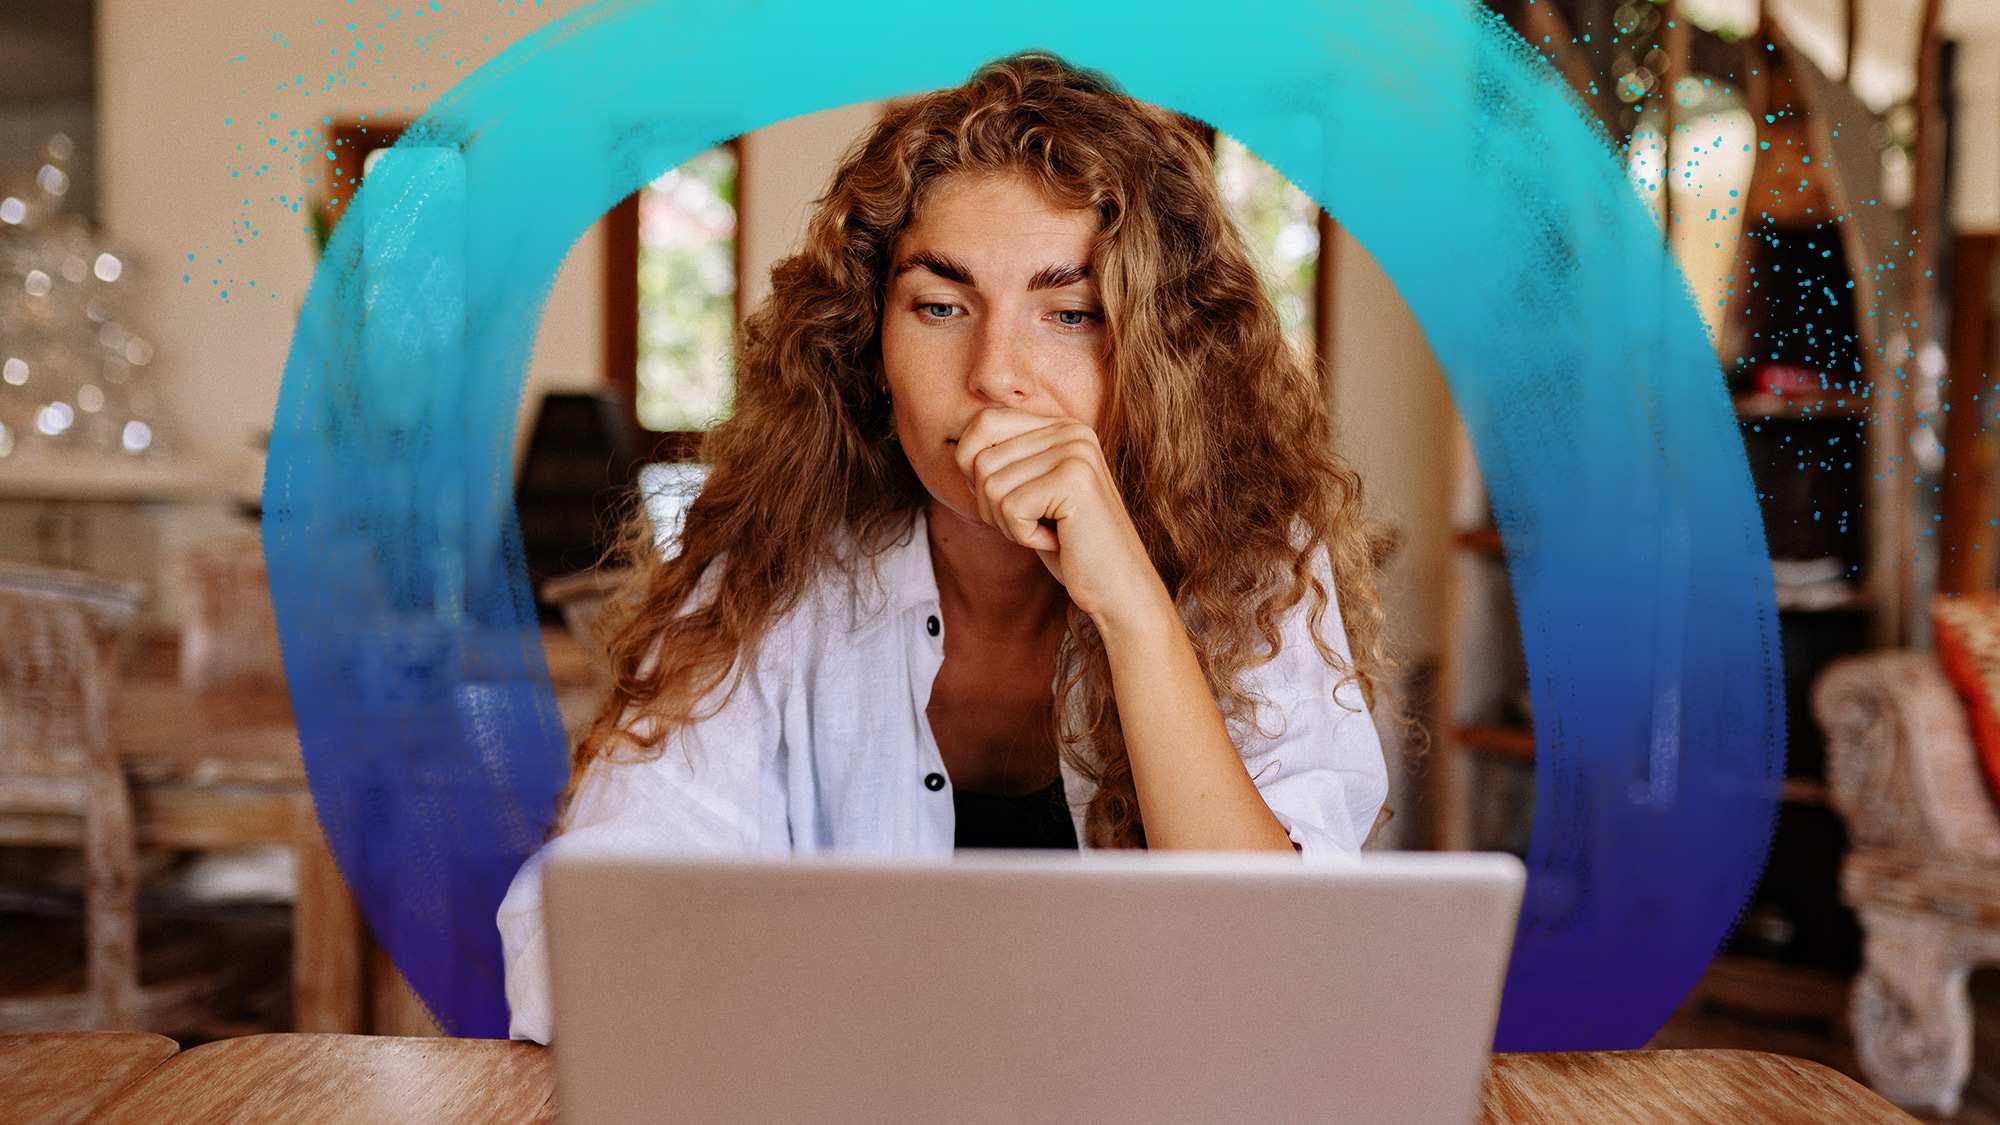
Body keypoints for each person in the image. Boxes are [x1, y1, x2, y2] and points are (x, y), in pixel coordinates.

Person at [498, 49, 1393, 1043]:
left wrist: (1134, 612)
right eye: (939, 306)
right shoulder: (766, 566)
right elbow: (573, 947)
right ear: (869, 343)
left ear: (1158, 357)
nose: (995, 376)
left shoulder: (1258, 561)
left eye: (1067, 314)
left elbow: (1280, 982)